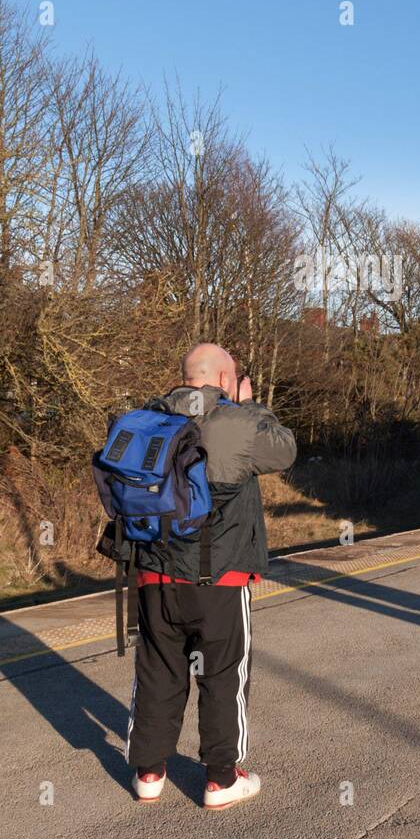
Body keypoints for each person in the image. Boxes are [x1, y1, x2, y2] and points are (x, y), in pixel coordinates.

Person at [125, 342, 296, 809]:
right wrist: (250, 403)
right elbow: (286, 451)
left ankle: (149, 773)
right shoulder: (237, 422)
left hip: (153, 576)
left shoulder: (149, 418)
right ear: (223, 379)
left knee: (158, 671)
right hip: (220, 579)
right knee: (223, 675)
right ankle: (222, 779)